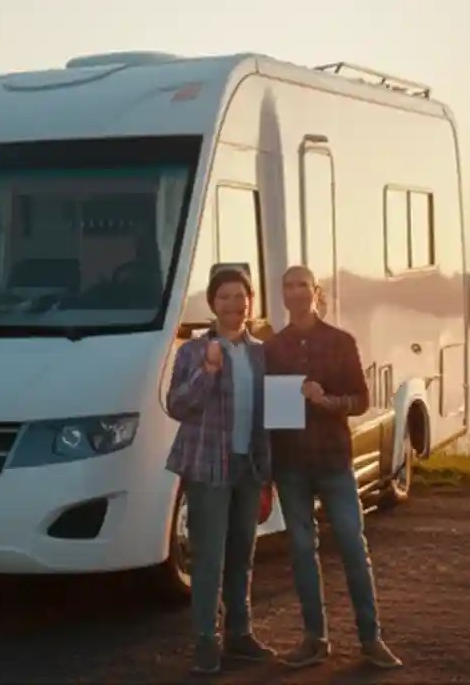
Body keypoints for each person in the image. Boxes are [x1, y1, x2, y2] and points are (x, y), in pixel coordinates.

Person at [264, 265, 403, 670]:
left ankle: (371, 639)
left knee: (352, 546)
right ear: (282, 293)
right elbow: (270, 410)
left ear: (315, 291)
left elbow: (361, 400)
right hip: (290, 465)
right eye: (287, 285)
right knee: (303, 550)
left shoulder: (340, 342)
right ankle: (314, 639)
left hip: (333, 461)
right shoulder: (272, 348)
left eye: (301, 285)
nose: (294, 292)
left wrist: (328, 402)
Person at [164, 267, 276, 675]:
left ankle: (240, 634)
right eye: (225, 297)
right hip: (207, 467)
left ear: (250, 302)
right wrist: (207, 372)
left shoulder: (260, 352)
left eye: (240, 297)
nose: (234, 304)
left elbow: (268, 413)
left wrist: (269, 468)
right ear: (212, 303)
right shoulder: (193, 351)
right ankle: (205, 641)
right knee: (209, 556)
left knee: (242, 553)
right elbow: (177, 405)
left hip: (248, 467)